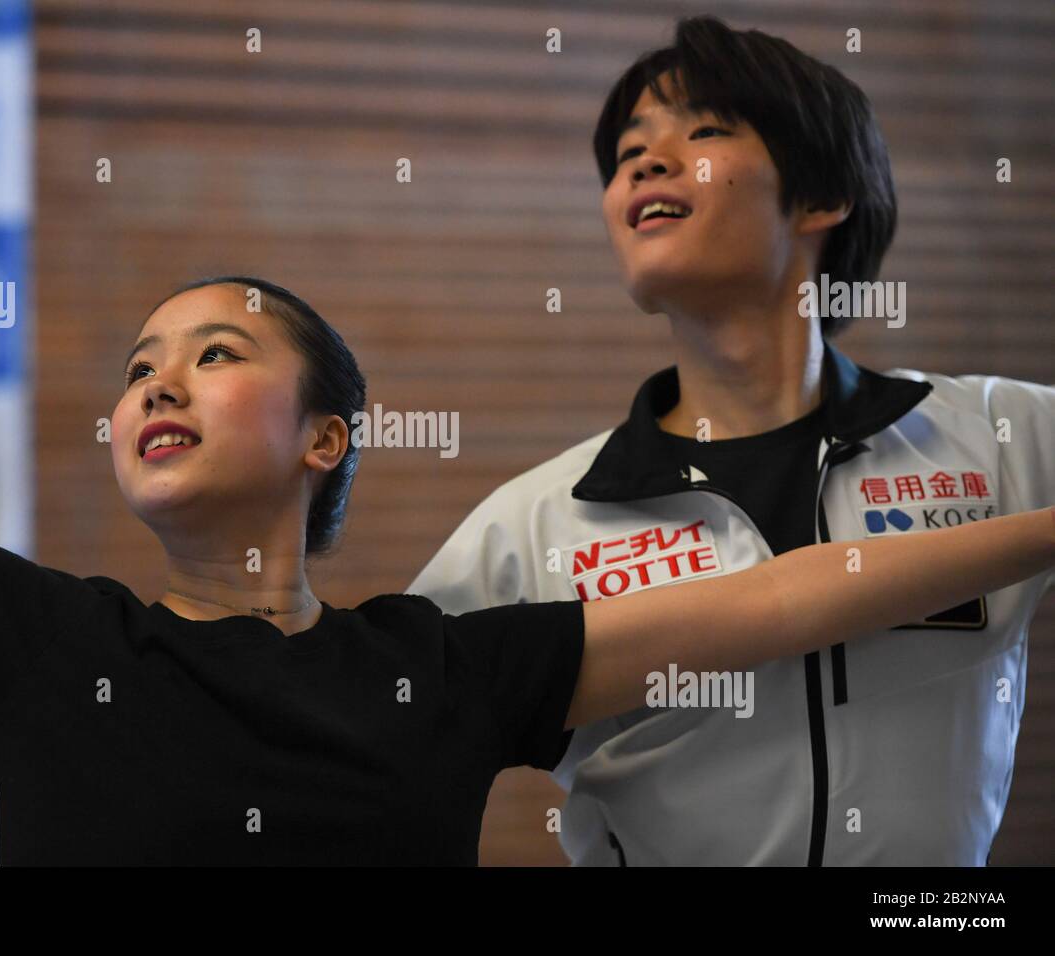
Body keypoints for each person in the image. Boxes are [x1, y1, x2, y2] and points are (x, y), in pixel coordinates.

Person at [0, 276, 1052, 866]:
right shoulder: (41, 642)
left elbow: (780, 598)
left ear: (327, 438)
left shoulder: (440, 664)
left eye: (214, 353)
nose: (157, 380)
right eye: (140, 365)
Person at [408, 16, 1055, 866]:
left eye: (704, 131)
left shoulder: (1005, 437)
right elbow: (377, 735)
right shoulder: (531, 525)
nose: (644, 161)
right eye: (628, 150)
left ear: (822, 196)